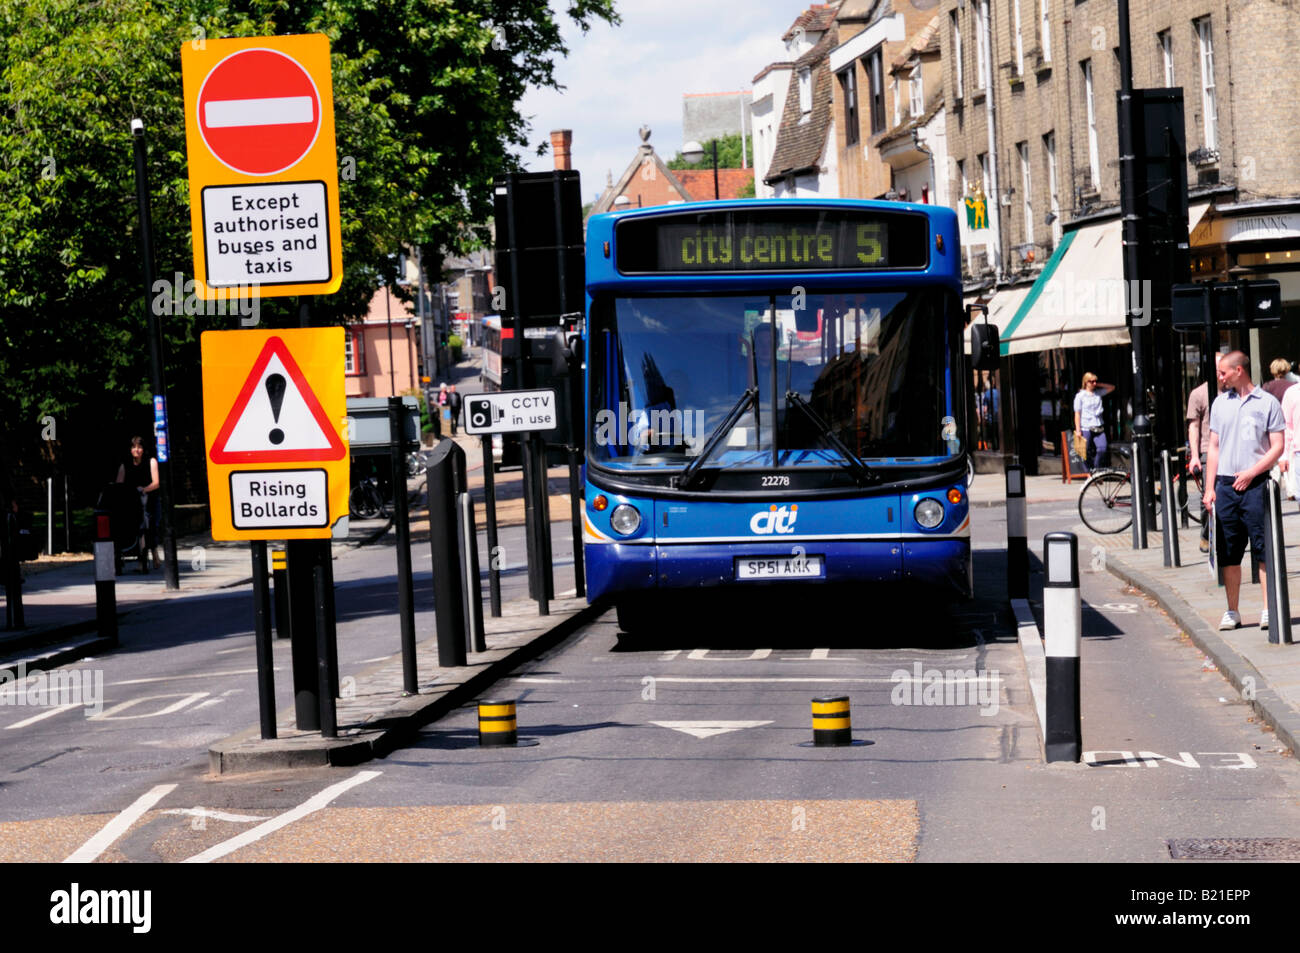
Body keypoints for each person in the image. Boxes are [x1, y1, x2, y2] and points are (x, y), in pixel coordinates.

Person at [1203, 351, 1284, 631]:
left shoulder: (1267, 403)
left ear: (1239, 370)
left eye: (1223, 373)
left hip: (1256, 484)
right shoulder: (1219, 404)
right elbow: (1213, 447)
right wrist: (1209, 487)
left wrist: (1252, 472)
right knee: (1229, 550)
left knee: (1263, 548)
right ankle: (1232, 610)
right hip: (1226, 485)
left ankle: (1267, 608)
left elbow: (1277, 446)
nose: (1220, 377)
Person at [1186, 353, 1224, 553]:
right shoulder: (1198, 394)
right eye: (1219, 369)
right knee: (1209, 496)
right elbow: (1193, 426)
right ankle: (1206, 534)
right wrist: (1194, 456)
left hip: (1230, 450)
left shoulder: (1233, 391)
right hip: (1207, 451)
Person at [116, 436, 160, 572]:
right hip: (132, 501)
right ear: (130, 450)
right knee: (137, 529)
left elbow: (156, 483)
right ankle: (148, 557)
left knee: (148, 527)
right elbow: (119, 485)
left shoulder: (151, 462)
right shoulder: (125, 465)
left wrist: (144, 489)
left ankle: (151, 555)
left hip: (149, 499)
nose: (137, 450)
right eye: (134, 447)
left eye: (139, 447)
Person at [1073, 372, 1114, 470]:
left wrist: (1099, 384)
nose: (1094, 383)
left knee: (1102, 448)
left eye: (1095, 381)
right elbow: (1077, 413)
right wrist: (1078, 430)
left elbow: (1112, 387)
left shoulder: (1097, 393)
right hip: (1086, 426)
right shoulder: (1080, 396)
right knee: (1084, 451)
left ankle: (1096, 469)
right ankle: (1088, 472)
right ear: (1086, 382)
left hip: (1098, 425)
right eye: (1091, 381)